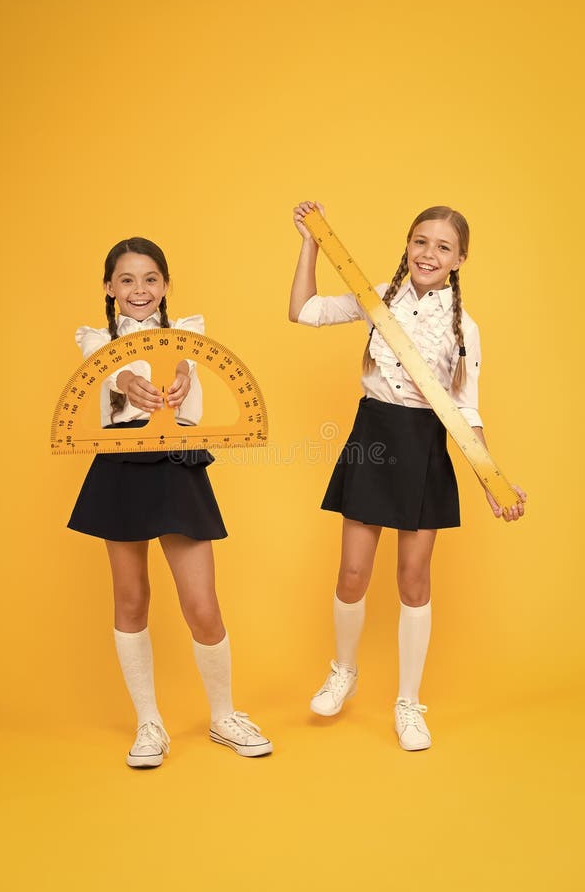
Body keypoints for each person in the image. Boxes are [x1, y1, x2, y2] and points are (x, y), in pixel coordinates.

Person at [289, 202, 526, 751]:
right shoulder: (379, 297)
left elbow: (468, 411)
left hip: (425, 447)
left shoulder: (465, 327)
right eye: (421, 242)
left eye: (443, 247)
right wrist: (311, 243)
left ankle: (408, 703)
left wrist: (496, 483)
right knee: (352, 572)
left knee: (413, 581)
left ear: (459, 259)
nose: (429, 254)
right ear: (408, 245)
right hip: (373, 435)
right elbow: (303, 311)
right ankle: (343, 672)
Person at [68, 236, 272, 767]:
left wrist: (181, 372)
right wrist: (130, 381)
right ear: (109, 288)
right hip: (121, 465)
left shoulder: (189, 332)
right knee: (131, 598)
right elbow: (115, 369)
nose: (140, 290)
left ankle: (224, 716)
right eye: (127, 280)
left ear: (166, 286)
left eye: (151, 279)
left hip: (178, 462)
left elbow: (184, 361)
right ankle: (149, 724)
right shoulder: (95, 339)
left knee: (201, 604)